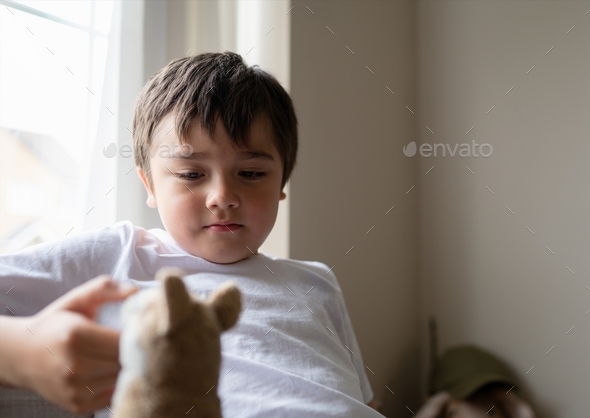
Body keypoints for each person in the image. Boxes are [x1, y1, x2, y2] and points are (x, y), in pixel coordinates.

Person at [0, 52, 382, 417]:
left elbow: (363, 400)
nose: (223, 198)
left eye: (251, 174)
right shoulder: (118, 254)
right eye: (190, 175)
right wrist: (23, 355)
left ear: (282, 181)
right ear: (149, 184)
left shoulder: (317, 281)